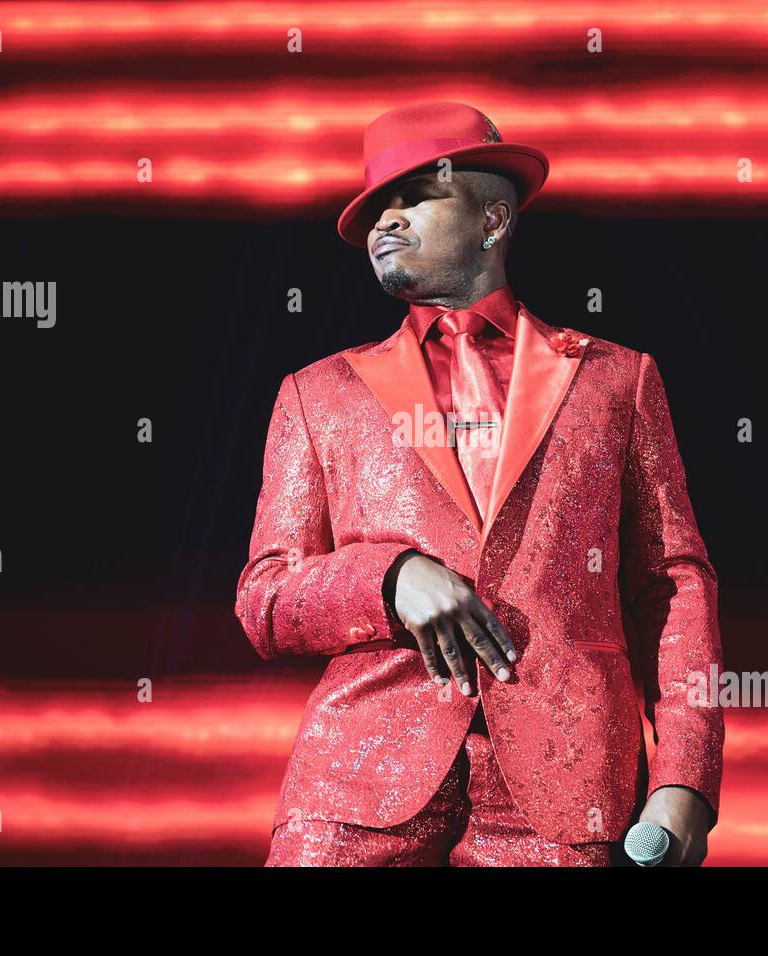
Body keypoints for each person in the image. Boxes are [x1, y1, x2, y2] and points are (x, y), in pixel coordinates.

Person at [236, 101, 723, 866]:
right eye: (373, 212)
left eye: (413, 198)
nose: (384, 225)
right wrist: (387, 579)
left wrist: (685, 778)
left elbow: (673, 586)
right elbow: (264, 599)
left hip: (567, 797)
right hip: (354, 794)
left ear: (494, 219)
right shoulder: (317, 393)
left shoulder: (615, 381)